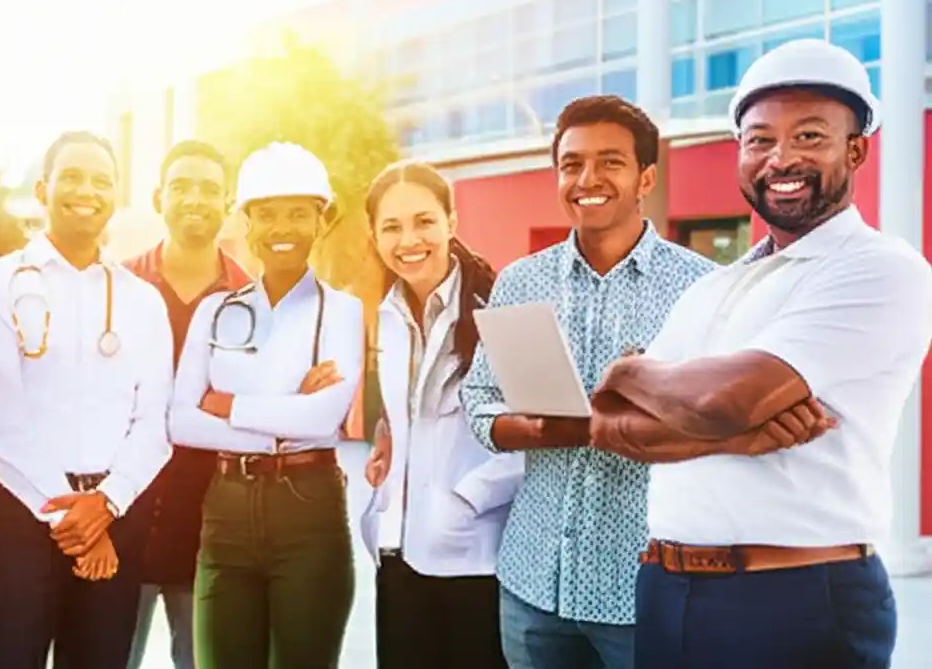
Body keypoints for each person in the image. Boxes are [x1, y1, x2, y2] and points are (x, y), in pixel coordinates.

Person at [589, 39, 932, 668]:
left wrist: (634, 370)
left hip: (795, 598)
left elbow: (727, 398)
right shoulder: (712, 286)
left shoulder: (880, 269)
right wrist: (736, 435)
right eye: (760, 140)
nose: (782, 158)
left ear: (856, 149)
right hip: (667, 588)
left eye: (809, 136)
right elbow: (608, 425)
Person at [458, 95, 717, 669]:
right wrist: (522, 429)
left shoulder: (702, 288)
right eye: (571, 164)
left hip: (646, 591)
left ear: (645, 176)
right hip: (532, 584)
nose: (587, 179)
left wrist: (633, 420)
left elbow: (718, 423)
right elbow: (478, 398)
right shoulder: (521, 281)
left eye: (610, 162)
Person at [0, 130, 174, 669]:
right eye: (72, 177)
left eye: (102, 180)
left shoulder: (142, 301)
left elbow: (154, 423)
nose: (87, 190)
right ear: (42, 189)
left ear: (116, 196)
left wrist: (105, 505)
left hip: (114, 513)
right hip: (16, 519)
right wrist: (75, 526)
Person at [169, 141, 364, 668]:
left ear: (320, 221)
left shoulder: (342, 312)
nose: (283, 229)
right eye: (267, 215)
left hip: (309, 514)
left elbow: (324, 418)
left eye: (299, 214)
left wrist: (225, 402)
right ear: (248, 224)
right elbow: (180, 421)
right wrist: (283, 416)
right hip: (226, 515)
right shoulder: (215, 311)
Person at [359, 160, 522, 669]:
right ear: (374, 236)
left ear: (452, 221)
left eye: (424, 221)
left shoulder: (502, 307)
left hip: (476, 560)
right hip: (398, 555)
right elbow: (410, 414)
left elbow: (543, 432)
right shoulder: (388, 315)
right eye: (392, 226)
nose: (409, 239)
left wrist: (465, 500)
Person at [124, 140, 249, 669]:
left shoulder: (252, 296)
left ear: (228, 202)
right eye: (181, 186)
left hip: (213, 525)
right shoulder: (119, 285)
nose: (194, 199)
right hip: (124, 516)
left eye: (208, 189)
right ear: (158, 197)